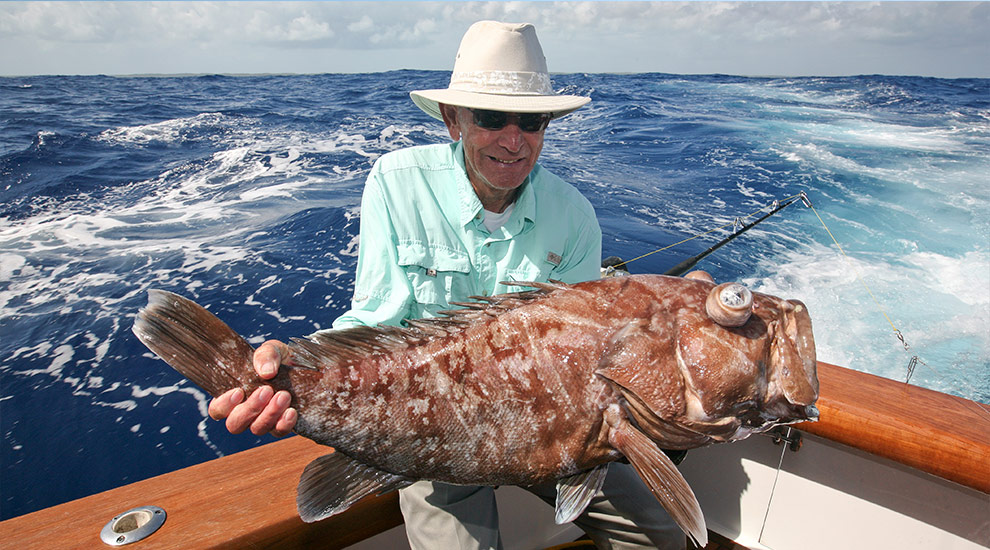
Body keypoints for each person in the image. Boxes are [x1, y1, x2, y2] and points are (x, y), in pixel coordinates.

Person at [208, 21, 686, 550]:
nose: (513, 139)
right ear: (453, 120)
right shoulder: (396, 183)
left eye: (531, 121)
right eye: (490, 117)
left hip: (553, 431)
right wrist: (295, 364)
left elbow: (588, 363)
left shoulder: (573, 216)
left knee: (661, 533)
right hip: (432, 433)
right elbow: (375, 323)